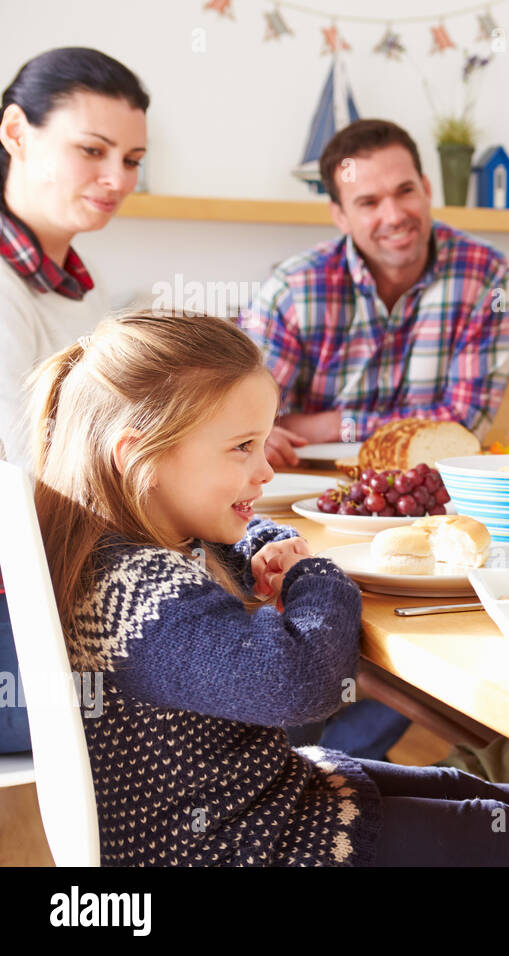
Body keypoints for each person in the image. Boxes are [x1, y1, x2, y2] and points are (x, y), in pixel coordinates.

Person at [26, 309, 509, 866]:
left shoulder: (137, 546)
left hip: (252, 803)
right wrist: (314, 573)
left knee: (462, 789)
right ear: (141, 457)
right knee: (503, 836)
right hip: (248, 845)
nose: (264, 471)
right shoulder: (140, 596)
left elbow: (239, 577)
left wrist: (263, 540)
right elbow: (301, 684)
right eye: (241, 449)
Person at [0, 46, 148, 755]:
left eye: (132, 158)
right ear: (15, 134)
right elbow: (42, 477)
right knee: (245, 677)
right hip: (16, 618)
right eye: (92, 150)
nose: (117, 179)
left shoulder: (77, 285)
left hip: (55, 587)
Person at [239, 119, 509, 469]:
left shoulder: (485, 275)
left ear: (427, 189)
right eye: (369, 203)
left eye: (405, 191)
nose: (395, 215)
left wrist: (332, 424)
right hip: (305, 488)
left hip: (432, 490)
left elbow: (461, 426)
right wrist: (263, 432)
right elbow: (247, 424)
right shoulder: (292, 289)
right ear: (340, 216)